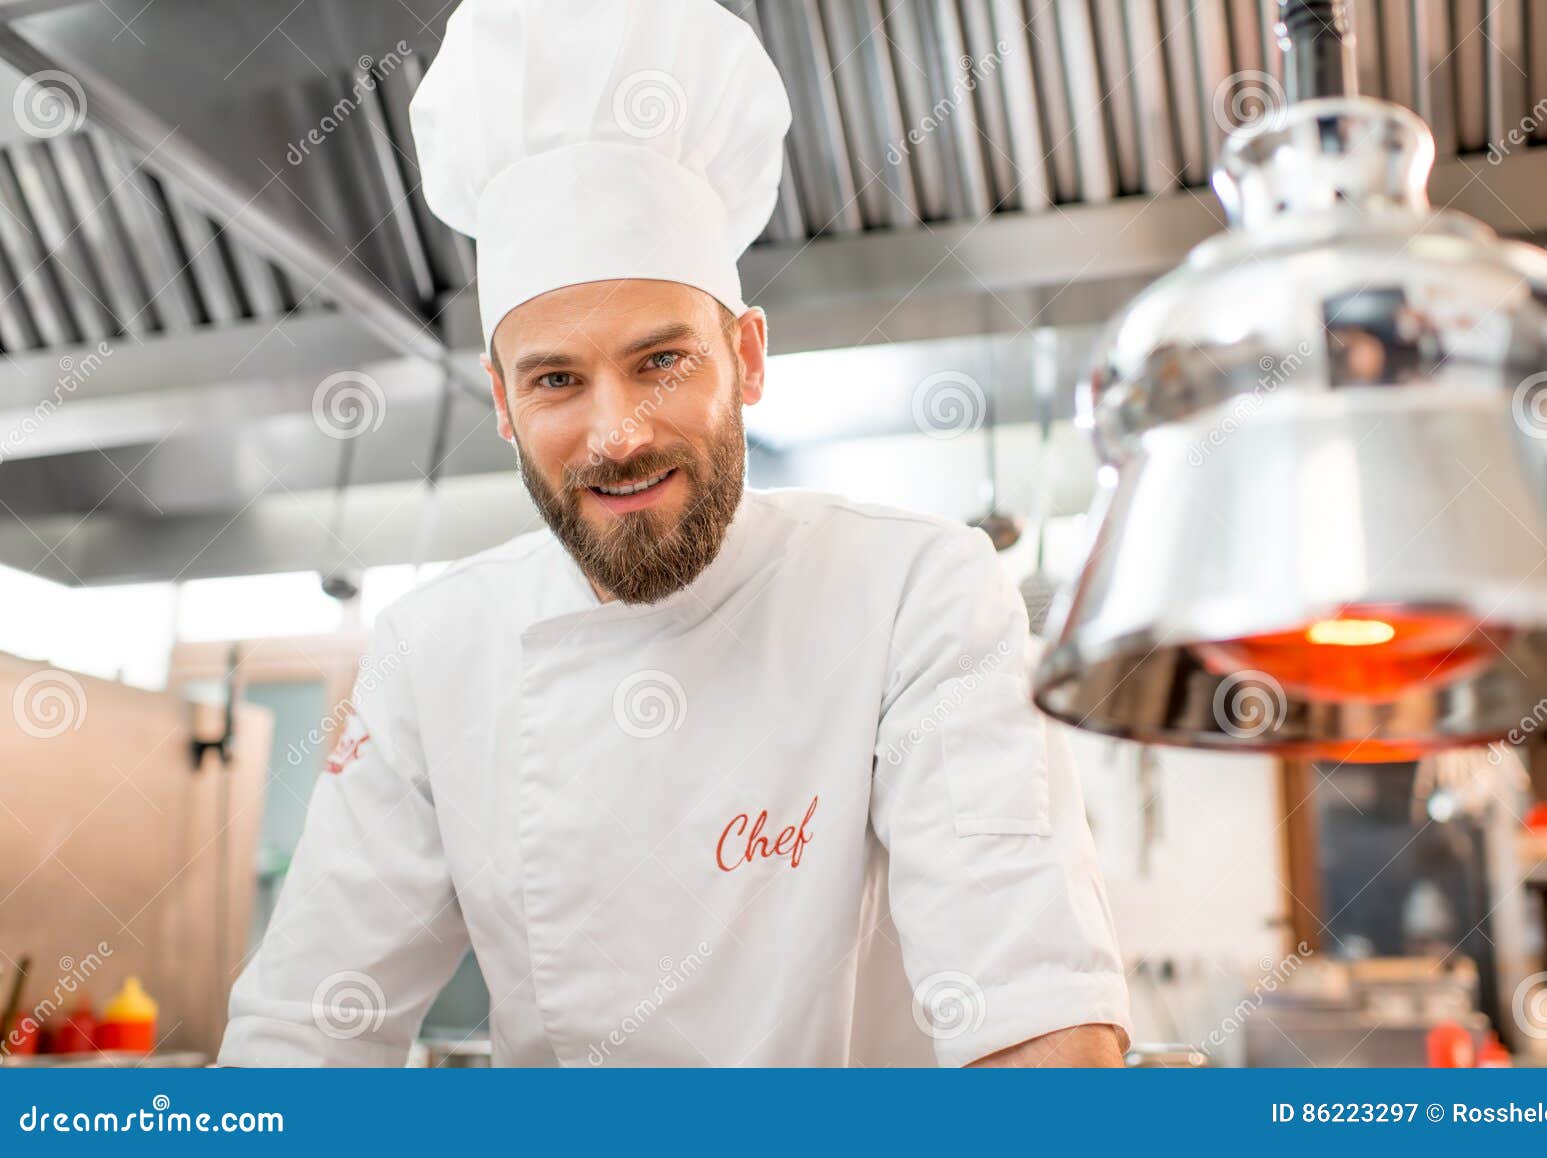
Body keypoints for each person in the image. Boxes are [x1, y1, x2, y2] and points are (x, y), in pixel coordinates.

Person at [219, 0, 1130, 1067]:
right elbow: (305, 1032)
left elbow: (1035, 1017)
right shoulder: (431, 654)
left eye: (661, 361)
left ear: (746, 358)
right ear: (503, 403)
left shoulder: (916, 592)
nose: (617, 436)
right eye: (556, 380)